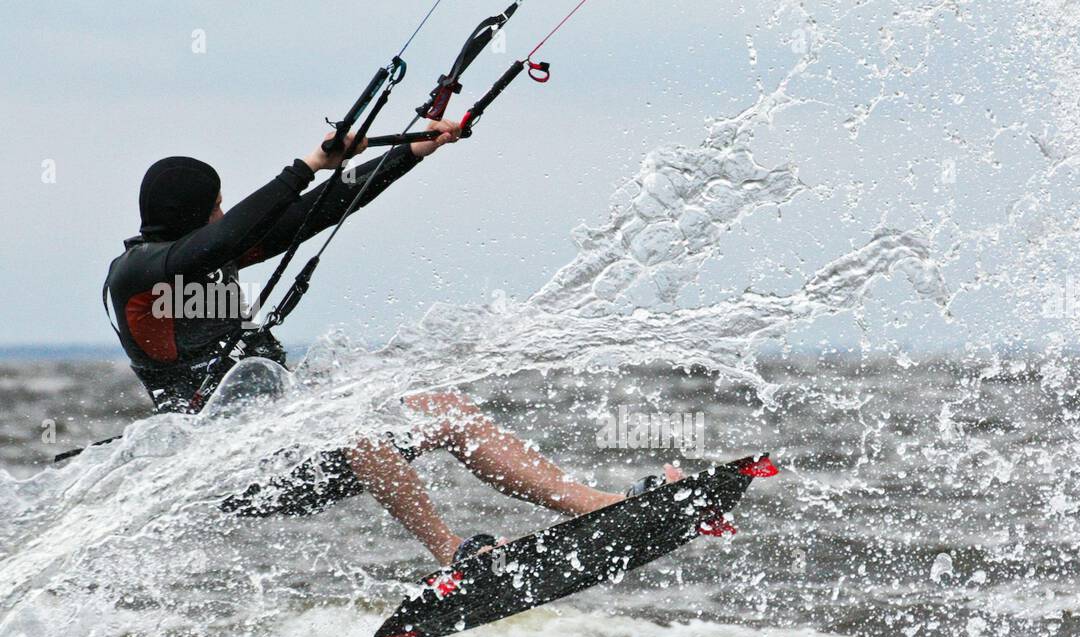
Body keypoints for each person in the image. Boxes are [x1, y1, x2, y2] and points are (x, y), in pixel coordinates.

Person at [104, 118, 680, 565]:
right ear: (198, 213)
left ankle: (599, 506)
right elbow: (213, 242)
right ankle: (451, 553)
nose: (226, 214)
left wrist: (412, 151)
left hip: (288, 443)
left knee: (444, 409)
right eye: (218, 205)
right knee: (353, 422)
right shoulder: (138, 275)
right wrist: (306, 163)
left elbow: (320, 209)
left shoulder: (212, 252)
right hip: (235, 473)